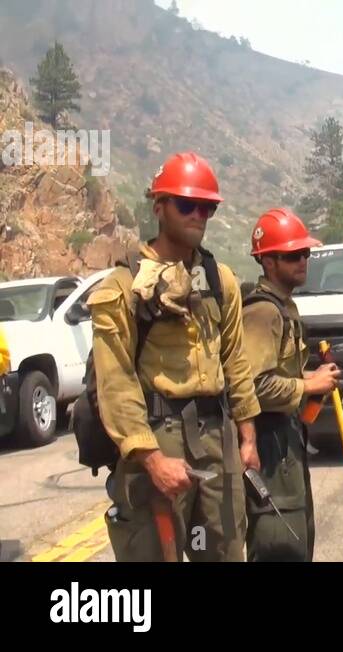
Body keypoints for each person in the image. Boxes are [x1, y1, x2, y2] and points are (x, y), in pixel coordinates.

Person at [89, 151, 262, 561]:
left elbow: (236, 361)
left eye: (207, 207)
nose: (198, 215)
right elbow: (115, 384)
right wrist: (151, 460)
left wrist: (248, 439)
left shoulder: (221, 282)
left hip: (218, 436)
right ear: (159, 206)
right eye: (187, 204)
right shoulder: (123, 287)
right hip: (157, 433)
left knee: (224, 549)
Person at [241, 207, 340, 562]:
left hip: (287, 439)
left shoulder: (284, 307)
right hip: (269, 446)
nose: (303, 261)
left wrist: (310, 380)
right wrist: (308, 387)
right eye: (293, 255)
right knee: (279, 543)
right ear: (268, 262)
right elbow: (254, 386)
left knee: (297, 540)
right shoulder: (263, 312)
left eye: (306, 253)